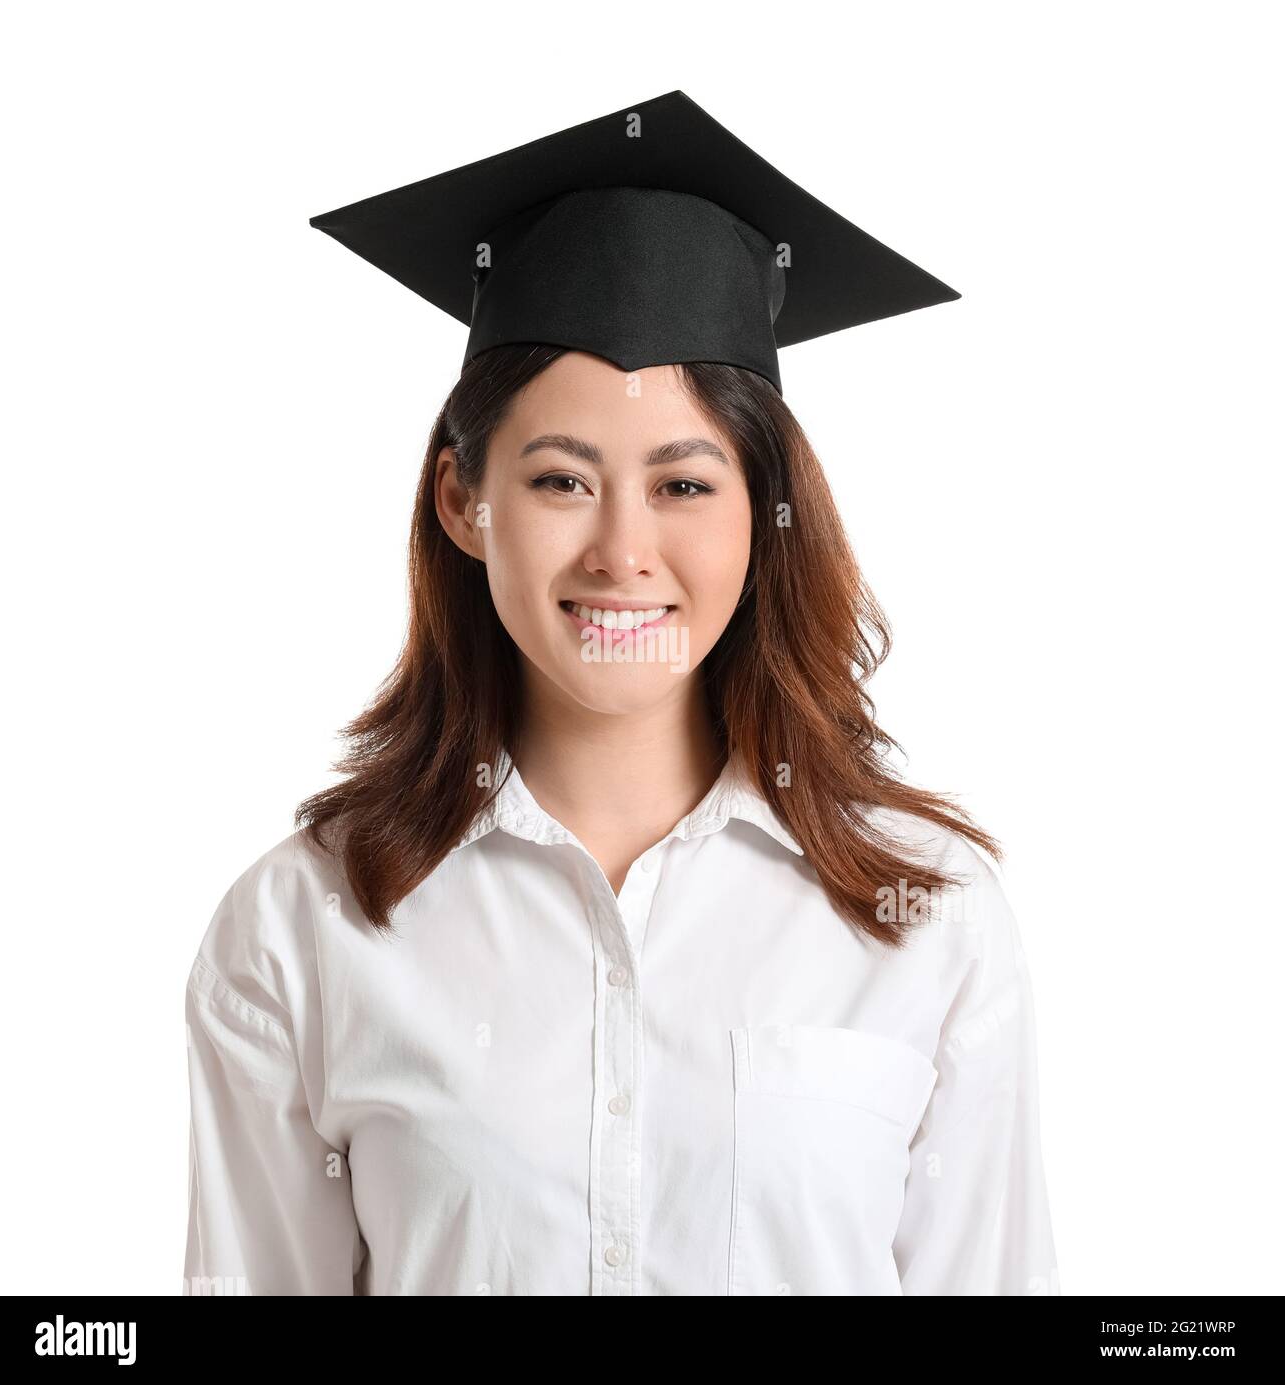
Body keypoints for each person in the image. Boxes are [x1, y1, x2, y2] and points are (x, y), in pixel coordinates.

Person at [182, 91, 1059, 1296]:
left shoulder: (925, 913)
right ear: (462, 502)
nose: (621, 551)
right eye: (558, 480)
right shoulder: (303, 931)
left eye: (686, 485)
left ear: (766, 511)